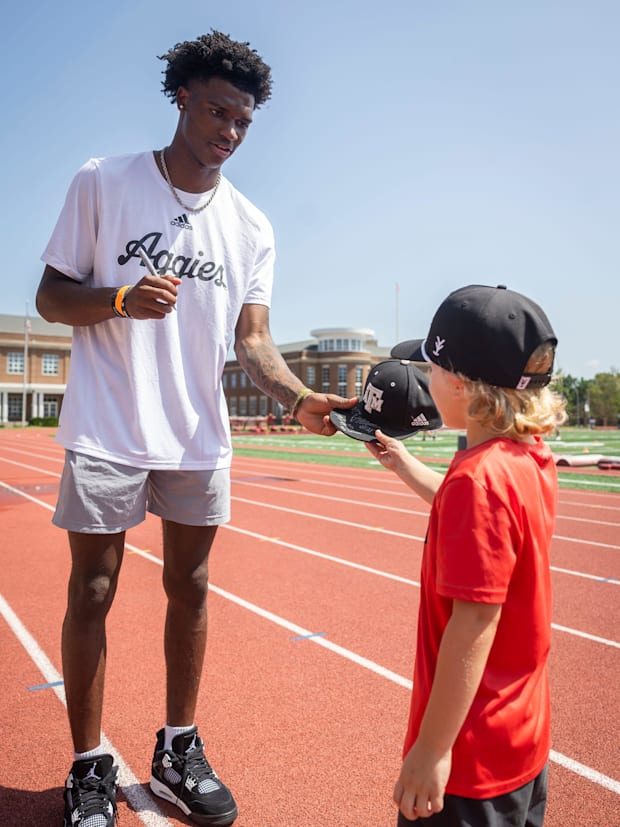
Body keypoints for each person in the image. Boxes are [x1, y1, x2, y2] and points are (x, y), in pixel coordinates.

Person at [36, 31, 355, 827]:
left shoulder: (251, 226)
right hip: (108, 425)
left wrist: (297, 398)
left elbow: (254, 341)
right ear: (181, 98)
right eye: (217, 112)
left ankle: (177, 750)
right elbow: (50, 297)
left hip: (195, 436)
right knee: (93, 588)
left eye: (243, 121)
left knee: (192, 586)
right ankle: (88, 765)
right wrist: (119, 299)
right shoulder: (103, 181)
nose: (230, 131)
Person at [366, 284, 567, 826]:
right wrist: (403, 464)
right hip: (520, 736)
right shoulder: (526, 456)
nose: (427, 380)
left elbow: (475, 620)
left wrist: (432, 750)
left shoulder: (477, 481)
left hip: (469, 758)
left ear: (459, 383)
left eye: (431, 368)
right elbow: (484, 522)